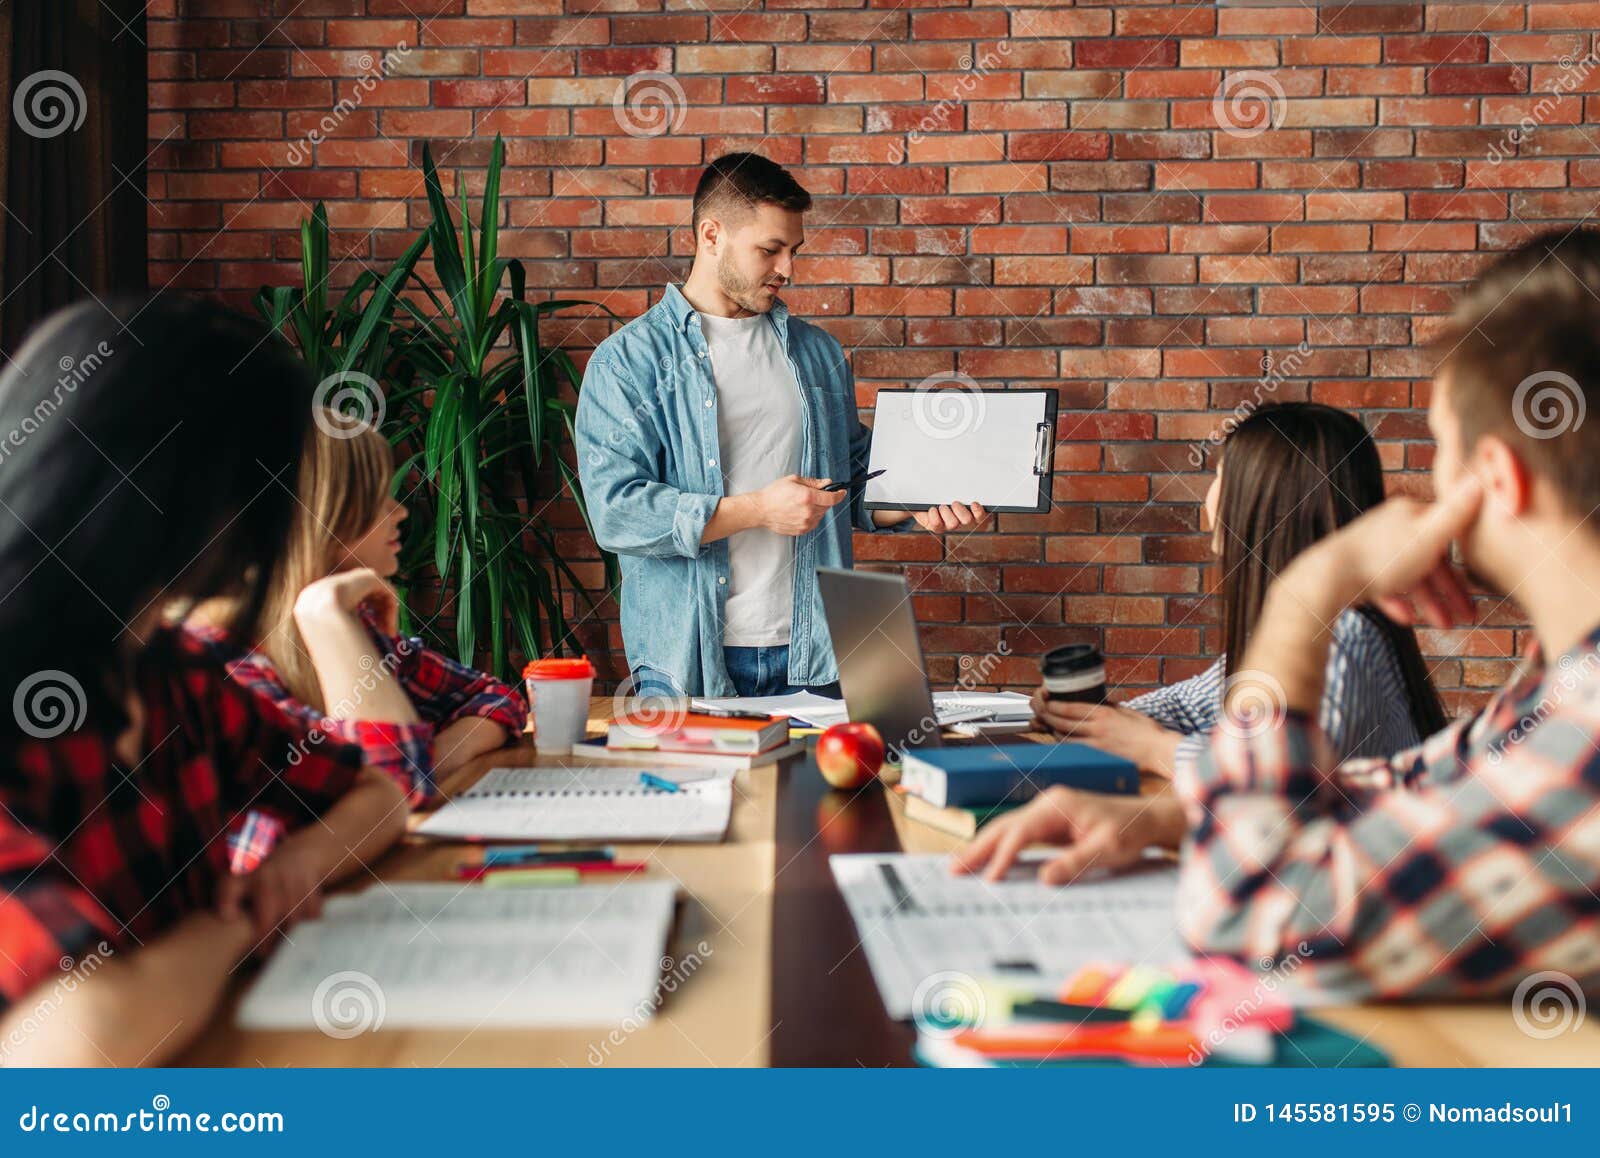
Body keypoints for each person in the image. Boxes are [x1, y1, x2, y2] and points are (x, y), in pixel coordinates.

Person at [956, 227, 1600, 1001]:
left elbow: (1249, 911)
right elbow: (1410, 788)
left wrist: (1308, 588)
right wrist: (1167, 819)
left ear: (1497, 477)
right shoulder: (1557, 686)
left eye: (1439, 448)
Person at [0, 297, 410, 1065]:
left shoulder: (175, 672)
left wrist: (299, 864)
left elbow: (380, 795)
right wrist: (228, 930)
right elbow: (82, 1042)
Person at [576, 152, 988, 699]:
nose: (787, 268)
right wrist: (759, 510)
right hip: (688, 656)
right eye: (770, 250)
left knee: (868, 760)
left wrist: (914, 502)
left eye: (794, 250)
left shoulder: (818, 353)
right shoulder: (628, 362)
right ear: (712, 235)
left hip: (822, 649)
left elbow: (849, 482)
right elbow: (616, 513)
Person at [1031, 403, 1444, 776]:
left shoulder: (1340, 637)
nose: (1208, 499)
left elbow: (1283, 783)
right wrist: (1091, 718)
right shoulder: (1290, 630)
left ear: (1261, 501)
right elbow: (1192, 707)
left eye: (1218, 477)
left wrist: (1155, 749)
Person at [188, 411, 526, 804]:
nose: (400, 512)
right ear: (321, 515)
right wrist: (327, 614)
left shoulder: (362, 626)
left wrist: (430, 763)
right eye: (377, 498)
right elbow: (387, 793)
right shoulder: (231, 665)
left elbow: (496, 697)